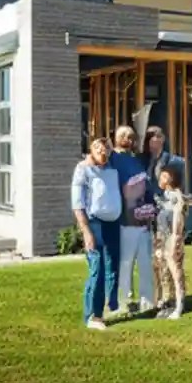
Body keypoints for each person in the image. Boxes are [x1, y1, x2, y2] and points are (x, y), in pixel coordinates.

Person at [71, 137, 122, 330]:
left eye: (106, 149)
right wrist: (86, 232)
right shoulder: (83, 170)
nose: (103, 152)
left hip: (113, 224)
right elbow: (77, 204)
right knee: (98, 269)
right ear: (91, 151)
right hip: (95, 224)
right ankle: (92, 315)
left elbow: (124, 148)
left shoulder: (111, 168)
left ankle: (111, 305)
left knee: (112, 267)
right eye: (98, 149)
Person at [110, 125, 154, 313]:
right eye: (123, 135)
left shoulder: (136, 160)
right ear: (116, 137)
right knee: (125, 262)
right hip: (125, 220)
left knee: (145, 261)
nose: (127, 139)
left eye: (130, 136)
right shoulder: (113, 159)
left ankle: (147, 300)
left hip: (143, 219)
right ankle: (124, 300)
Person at [154, 156, 189, 320]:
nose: (159, 179)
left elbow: (178, 217)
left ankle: (179, 305)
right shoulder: (165, 196)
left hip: (172, 240)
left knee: (176, 271)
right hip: (162, 239)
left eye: (162, 176)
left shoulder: (177, 197)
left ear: (168, 178)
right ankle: (166, 302)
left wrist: (175, 238)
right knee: (163, 271)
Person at [142, 126, 172, 200]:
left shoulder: (172, 161)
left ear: (163, 139)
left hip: (164, 201)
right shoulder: (140, 160)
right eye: (150, 137)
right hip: (144, 202)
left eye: (158, 136)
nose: (154, 139)